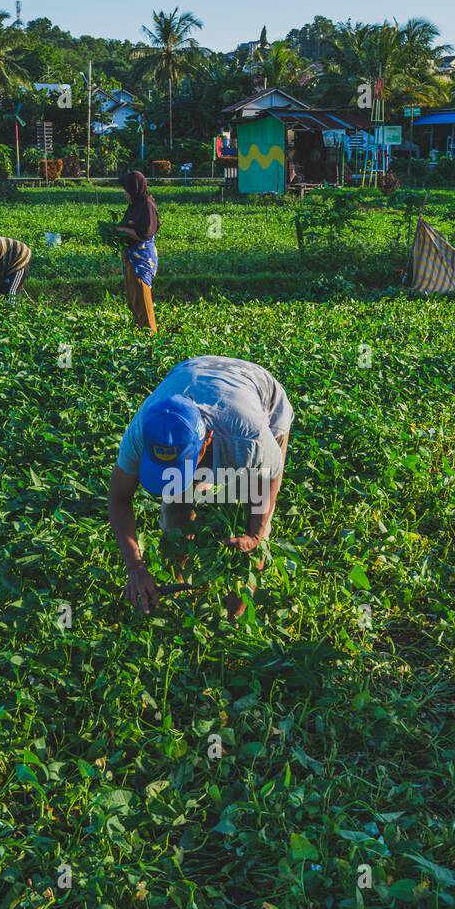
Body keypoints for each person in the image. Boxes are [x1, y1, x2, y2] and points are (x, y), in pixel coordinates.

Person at [108, 356, 294, 615]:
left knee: (249, 542)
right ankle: (180, 598)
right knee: (175, 518)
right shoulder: (143, 431)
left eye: (182, 466)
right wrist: (135, 567)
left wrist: (254, 535)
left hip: (261, 395)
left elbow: (272, 475)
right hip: (191, 372)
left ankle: (233, 623)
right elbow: (119, 496)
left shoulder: (250, 438)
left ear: (206, 443)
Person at [116, 170, 160, 335]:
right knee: (133, 298)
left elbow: (145, 234)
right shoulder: (134, 205)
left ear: (134, 188)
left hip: (142, 258)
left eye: (126, 189)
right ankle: (140, 331)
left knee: (142, 297)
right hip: (131, 256)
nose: (124, 192)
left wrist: (123, 230)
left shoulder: (147, 205)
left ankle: (150, 334)